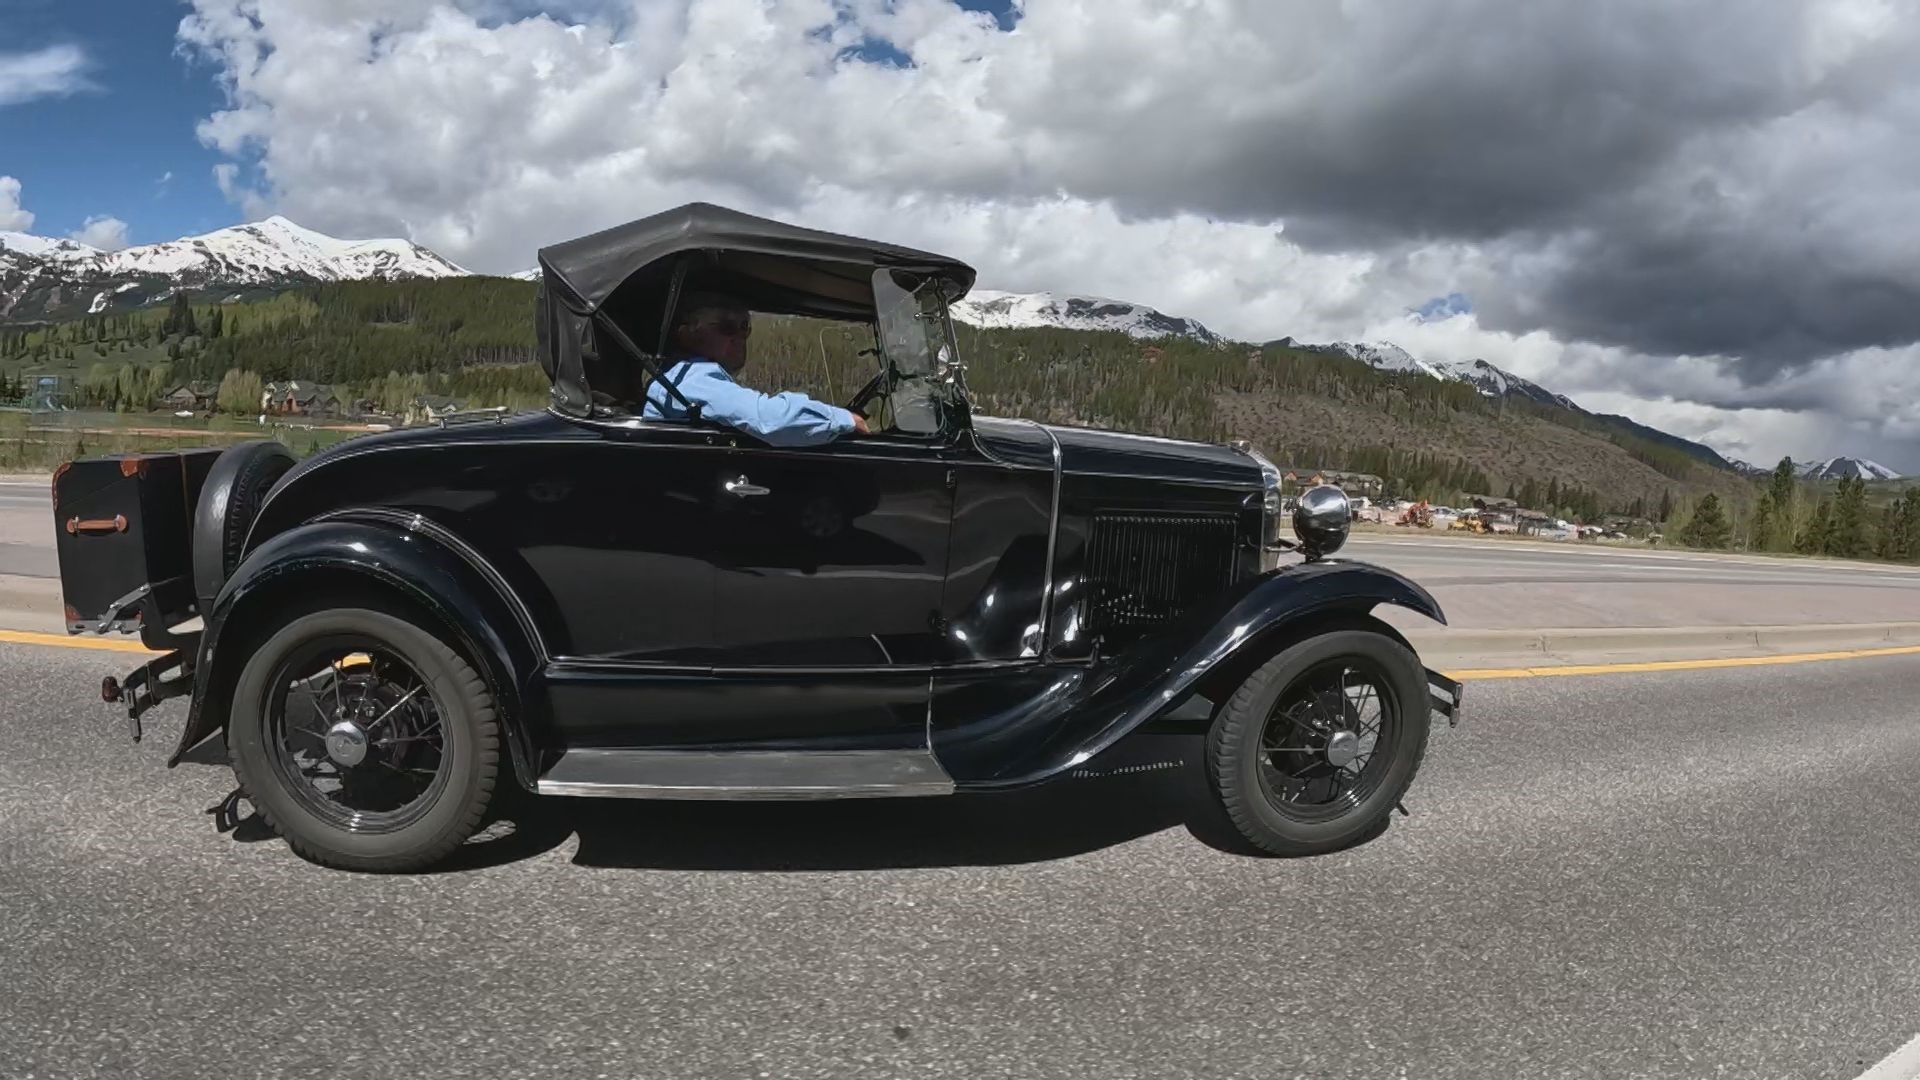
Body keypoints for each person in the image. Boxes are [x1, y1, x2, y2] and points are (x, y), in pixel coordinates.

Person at [641, 291, 868, 446]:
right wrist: (845, 419)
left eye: (744, 327)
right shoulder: (691, 378)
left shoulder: (684, 380)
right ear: (687, 334)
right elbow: (768, 420)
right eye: (727, 326)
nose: (740, 336)